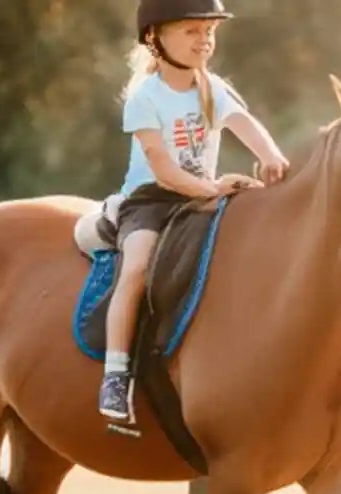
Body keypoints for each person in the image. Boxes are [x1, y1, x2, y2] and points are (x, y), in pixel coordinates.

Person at [99, 0, 290, 423]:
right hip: (152, 199)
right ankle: (115, 372)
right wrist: (212, 188)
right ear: (155, 37)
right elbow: (163, 168)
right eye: (191, 31)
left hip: (204, 194)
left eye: (209, 32)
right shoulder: (144, 96)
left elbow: (245, 123)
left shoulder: (211, 87)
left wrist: (270, 155)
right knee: (137, 268)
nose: (204, 40)